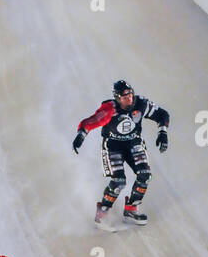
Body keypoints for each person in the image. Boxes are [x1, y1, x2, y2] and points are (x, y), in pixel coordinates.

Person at [72, 80, 170, 226]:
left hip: (133, 143)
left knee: (145, 175)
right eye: (124, 97)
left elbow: (162, 114)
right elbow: (92, 121)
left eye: (130, 95)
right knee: (119, 181)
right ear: (117, 98)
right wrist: (81, 134)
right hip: (113, 146)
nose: (129, 99)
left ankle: (131, 209)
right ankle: (103, 211)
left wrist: (163, 132)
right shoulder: (110, 109)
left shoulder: (141, 103)